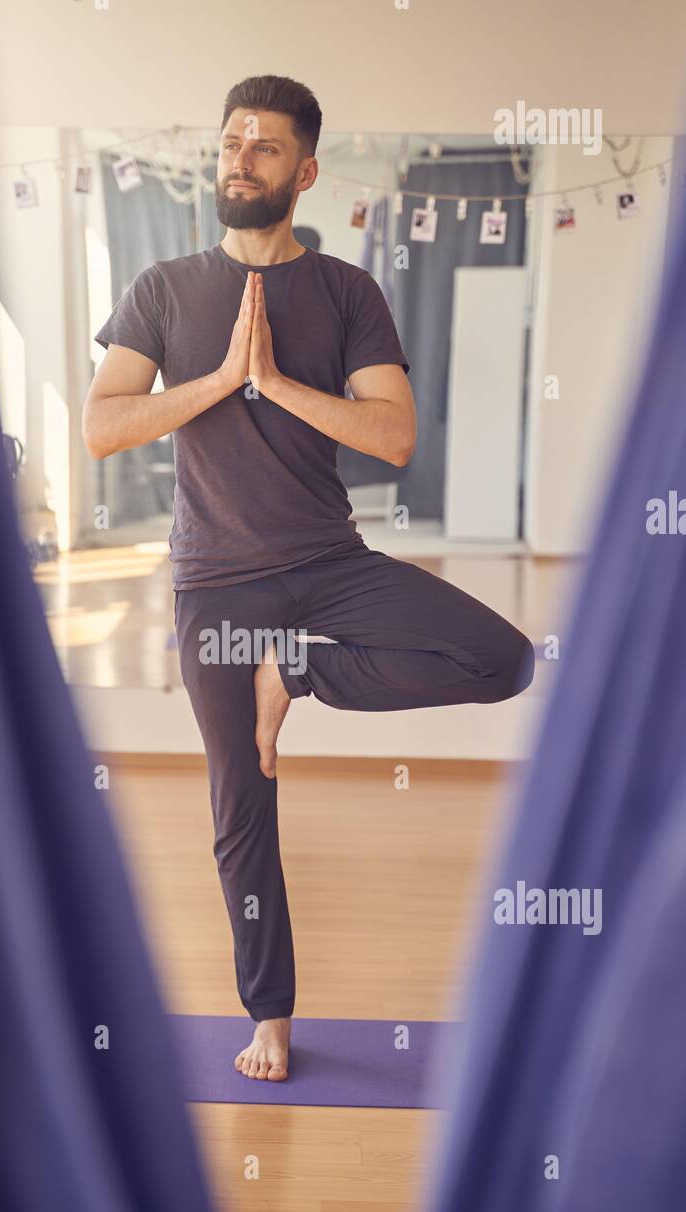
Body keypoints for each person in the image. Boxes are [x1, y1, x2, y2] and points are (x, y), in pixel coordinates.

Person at [83, 74, 535, 1084]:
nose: (239, 157)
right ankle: (271, 1014)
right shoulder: (162, 288)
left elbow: (393, 433)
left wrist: (280, 382)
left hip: (330, 566)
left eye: (265, 146)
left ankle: (297, 673)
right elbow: (102, 427)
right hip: (216, 585)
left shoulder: (345, 292)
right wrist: (215, 381)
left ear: (306, 171)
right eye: (231, 140)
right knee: (240, 806)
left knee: (501, 657)